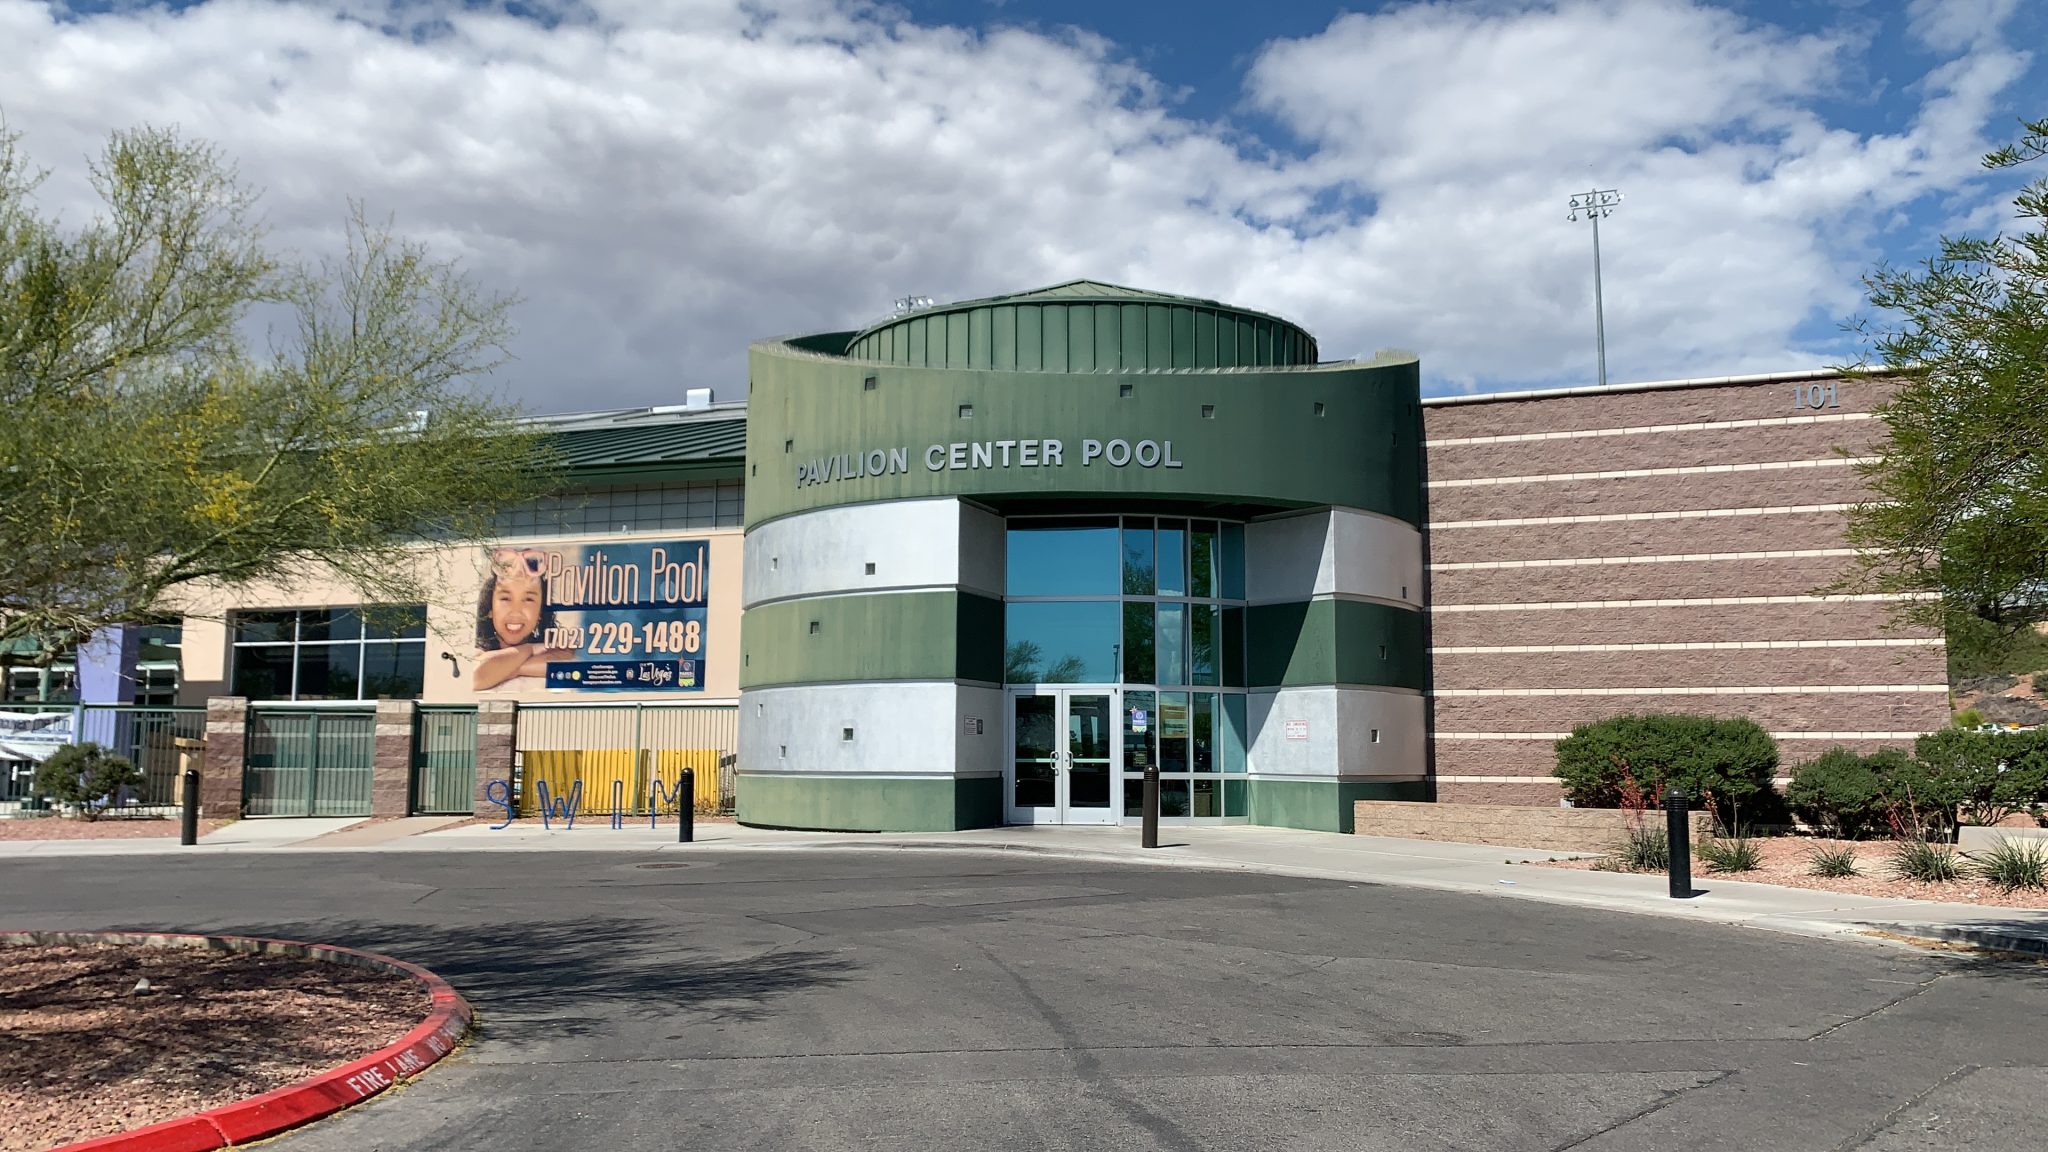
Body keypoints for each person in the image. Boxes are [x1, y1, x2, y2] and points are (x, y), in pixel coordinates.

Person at [473, 548, 575, 690]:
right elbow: (477, 677)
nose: (516, 611)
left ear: (541, 611)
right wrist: (531, 649)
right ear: (490, 609)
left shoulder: (559, 648)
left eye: (528, 599)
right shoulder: (473, 652)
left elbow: (570, 663)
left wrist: (506, 669)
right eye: (505, 598)